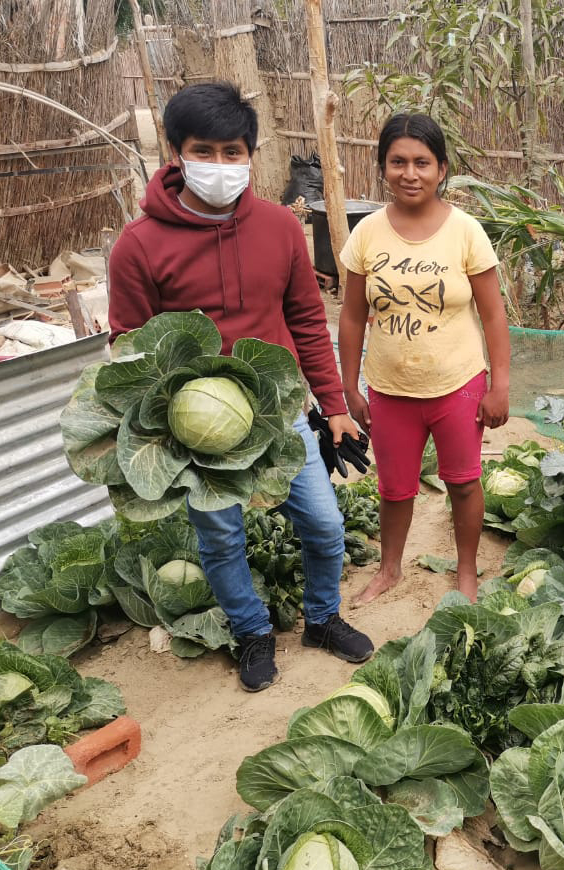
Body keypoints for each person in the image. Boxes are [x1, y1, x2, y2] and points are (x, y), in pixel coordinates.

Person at [107, 82, 375, 693]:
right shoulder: (138, 247)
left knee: (326, 526)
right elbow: (130, 348)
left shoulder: (280, 226)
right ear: (174, 152)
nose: (222, 165)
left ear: (251, 154)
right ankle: (251, 631)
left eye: (235, 152)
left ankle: (323, 618)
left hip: (280, 413)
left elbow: (307, 320)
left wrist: (332, 406)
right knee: (223, 537)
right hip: (202, 432)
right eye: (206, 150)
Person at [338, 113, 510, 605]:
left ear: (442, 168)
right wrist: (350, 387)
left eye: (421, 162)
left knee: (462, 482)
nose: (409, 173)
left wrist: (499, 386)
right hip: (389, 388)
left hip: (458, 384)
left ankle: (467, 572)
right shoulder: (367, 234)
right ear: (382, 167)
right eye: (397, 162)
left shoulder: (465, 231)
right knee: (394, 490)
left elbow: (494, 316)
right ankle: (389, 569)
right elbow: (351, 318)